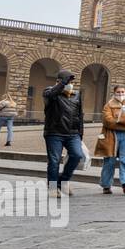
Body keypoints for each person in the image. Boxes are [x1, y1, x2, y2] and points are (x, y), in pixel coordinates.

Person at [42, 69, 85, 197]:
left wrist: (80, 133)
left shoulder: (76, 95)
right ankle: (53, 188)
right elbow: (50, 95)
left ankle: (63, 180)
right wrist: (62, 84)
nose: (70, 84)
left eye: (71, 82)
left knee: (77, 155)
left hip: (72, 133)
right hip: (54, 133)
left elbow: (80, 115)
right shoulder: (49, 92)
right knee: (54, 161)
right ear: (58, 81)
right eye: (67, 81)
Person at [97, 85, 125, 195]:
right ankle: (106, 185)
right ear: (114, 93)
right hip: (111, 137)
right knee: (109, 162)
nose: (121, 94)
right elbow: (108, 121)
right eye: (118, 92)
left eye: (122, 92)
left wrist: (120, 120)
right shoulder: (108, 105)